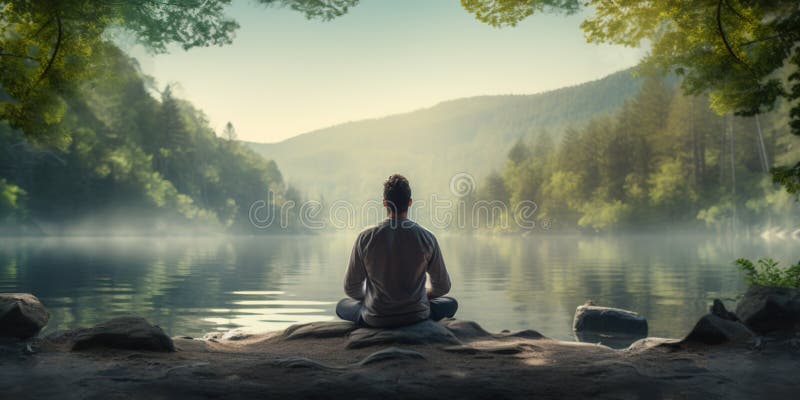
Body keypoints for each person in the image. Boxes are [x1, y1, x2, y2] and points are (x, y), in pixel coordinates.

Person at [335, 174, 458, 328]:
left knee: (342, 306)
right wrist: (420, 295)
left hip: (377, 317)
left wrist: (374, 296)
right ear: (410, 202)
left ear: (385, 203)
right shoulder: (427, 237)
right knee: (451, 303)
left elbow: (351, 288)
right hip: (416, 315)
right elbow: (442, 287)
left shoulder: (365, 237)